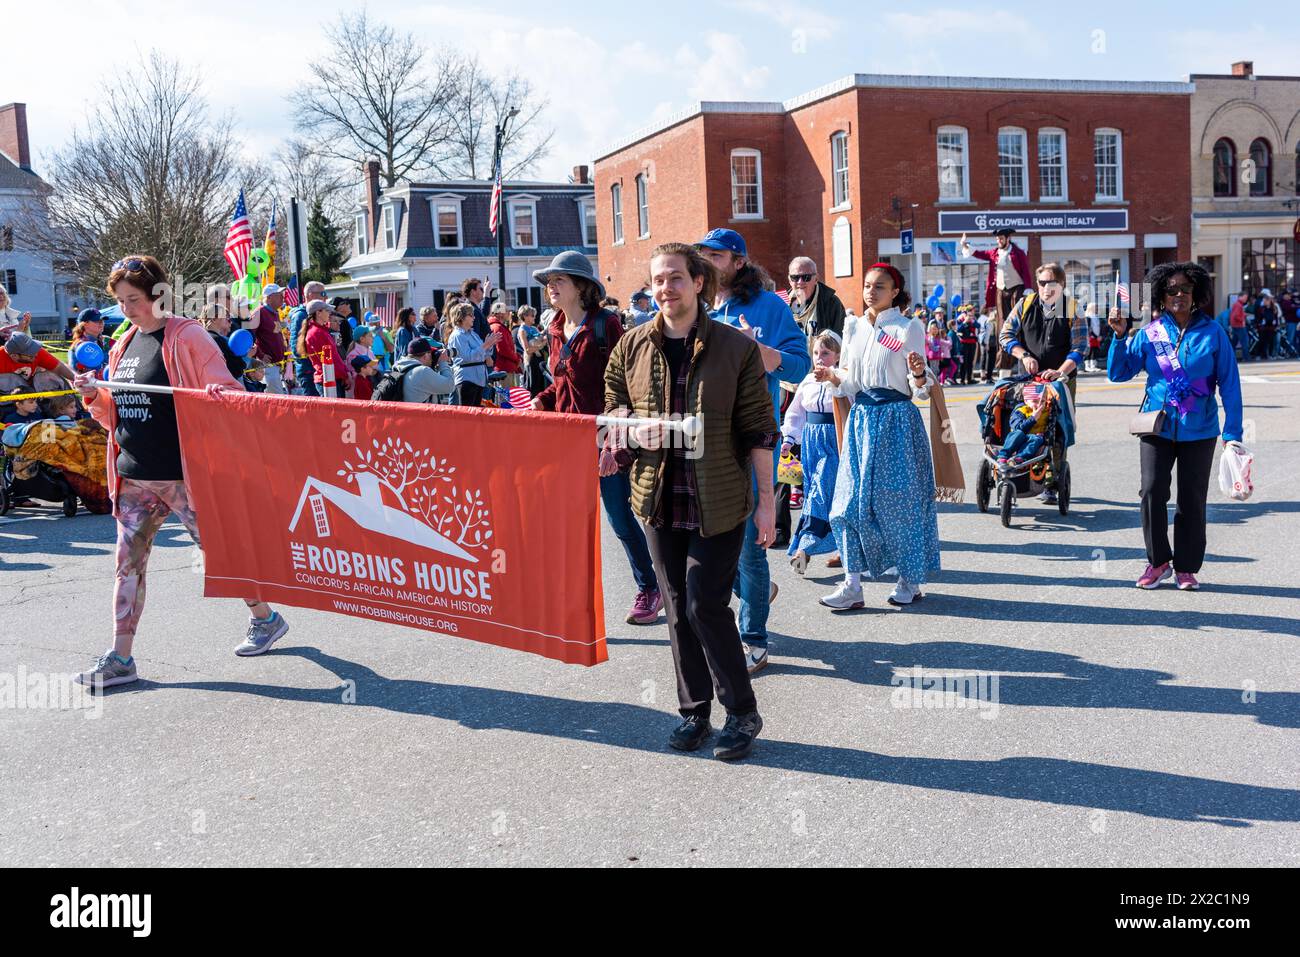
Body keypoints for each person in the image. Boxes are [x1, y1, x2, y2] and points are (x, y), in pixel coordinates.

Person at [72, 254, 290, 688]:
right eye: (120, 300)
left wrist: (214, 395)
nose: (127, 309)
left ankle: (265, 618)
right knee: (127, 566)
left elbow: (228, 395)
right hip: (134, 473)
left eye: (133, 299)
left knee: (219, 553)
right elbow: (116, 414)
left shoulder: (188, 336)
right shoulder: (123, 343)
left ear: (159, 295)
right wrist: (95, 395)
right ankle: (121, 658)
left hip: (184, 474)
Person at [602, 241, 776, 761]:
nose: (665, 288)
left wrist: (766, 504)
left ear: (699, 283)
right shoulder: (631, 345)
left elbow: (760, 431)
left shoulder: (734, 348)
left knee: (705, 604)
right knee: (677, 607)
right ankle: (694, 711)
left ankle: (742, 711)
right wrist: (632, 428)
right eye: (658, 279)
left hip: (719, 499)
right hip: (657, 497)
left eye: (675, 277)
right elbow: (612, 406)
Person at [697, 228, 811, 672]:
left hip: (750, 438)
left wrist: (763, 351)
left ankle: (755, 640)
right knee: (706, 539)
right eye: (701, 254)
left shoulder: (768, 306)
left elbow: (800, 366)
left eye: (715, 255)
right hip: (702, 439)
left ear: (738, 261)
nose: (706, 260)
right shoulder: (700, 306)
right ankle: (754, 592)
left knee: (747, 547)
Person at [530, 250, 663, 626]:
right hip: (567, 441)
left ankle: (653, 588)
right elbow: (559, 386)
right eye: (550, 282)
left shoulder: (607, 326)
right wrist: (540, 402)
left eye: (560, 280)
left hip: (608, 437)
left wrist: (613, 442)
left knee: (623, 519)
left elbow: (624, 387)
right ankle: (572, 598)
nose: (551, 287)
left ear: (581, 287)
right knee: (568, 522)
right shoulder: (555, 328)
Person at [1106, 261, 1243, 591]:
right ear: (1160, 296)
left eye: (1185, 288)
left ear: (1196, 292)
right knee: (1151, 491)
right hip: (1158, 424)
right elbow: (1118, 372)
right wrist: (1119, 335)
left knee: (1192, 499)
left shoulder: (1213, 334)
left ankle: (1186, 567)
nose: (1178, 294)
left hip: (1201, 427)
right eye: (1171, 290)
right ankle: (1157, 562)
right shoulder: (1150, 334)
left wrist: (1233, 435)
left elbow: (1230, 384)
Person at [818, 263, 942, 609]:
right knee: (846, 504)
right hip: (861, 419)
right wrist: (832, 376)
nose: (871, 291)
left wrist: (918, 373)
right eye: (868, 285)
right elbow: (853, 381)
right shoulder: (853, 326)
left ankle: (909, 578)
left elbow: (920, 388)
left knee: (898, 504)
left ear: (895, 293)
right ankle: (852, 585)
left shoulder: (907, 327)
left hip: (896, 420)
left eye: (880, 286)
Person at [999, 261, 1087, 504]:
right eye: (1042, 282)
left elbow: (1080, 347)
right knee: (1022, 421)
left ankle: (1051, 480)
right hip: (1029, 379)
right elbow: (1005, 334)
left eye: (1052, 282)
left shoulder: (1072, 309)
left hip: (1061, 379)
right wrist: (1023, 355)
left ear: (1062, 284)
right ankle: (1017, 467)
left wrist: (1060, 372)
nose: (1047, 287)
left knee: (1056, 428)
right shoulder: (1025, 304)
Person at [783, 330, 843, 579]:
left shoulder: (842, 380)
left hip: (833, 442)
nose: (820, 358)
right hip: (810, 442)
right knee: (816, 493)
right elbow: (796, 412)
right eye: (817, 353)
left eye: (826, 353)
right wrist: (789, 438)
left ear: (838, 356)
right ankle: (842, 547)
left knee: (821, 492)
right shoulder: (807, 382)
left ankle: (804, 549)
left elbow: (850, 408)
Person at [961, 227, 1030, 370]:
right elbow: (979, 254)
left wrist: (1028, 289)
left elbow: (1026, 271)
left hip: (1016, 289)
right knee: (1002, 324)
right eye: (997, 239)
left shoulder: (1018, 253)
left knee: (1018, 321)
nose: (999, 241)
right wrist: (965, 245)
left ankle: (1023, 354)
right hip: (1000, 291)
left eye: (1001, 238)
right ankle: (1004, 361)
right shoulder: (994, 253)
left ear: (1007, 239)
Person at [446, 302, 499, 407]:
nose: (474, 318)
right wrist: (485, 345)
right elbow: (467, 357)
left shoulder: (473, 334)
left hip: (478, 379)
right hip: (467, 380)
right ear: (461, 317)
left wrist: (490, 345)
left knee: (475, 414)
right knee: (467, 416)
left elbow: (483, 355)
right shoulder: (458, 336)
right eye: (471, 315)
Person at [787, 256, 846, 342]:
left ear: (816, 279)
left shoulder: (831, 303)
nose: (800, 282)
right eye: (795, 277)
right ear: (789, 280)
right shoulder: (781, 303)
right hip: (790, 355)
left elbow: (839, 341)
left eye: (806, 277)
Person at [996, 382, 1055, 468]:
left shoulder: (1047, 412)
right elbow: (1018, 427)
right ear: (1026, 401)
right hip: (1017, 439)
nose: (1039, 405)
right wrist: (1033, 418)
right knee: (1018, 433)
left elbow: (1050, 428)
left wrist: (1046, 436)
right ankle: (1003, 456)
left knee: (1036, 439)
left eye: (1042, 401)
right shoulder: (1020, 411)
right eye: (1035, 401)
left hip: (1033, 439)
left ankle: (1019, 458)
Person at [297, 299, 348, 398]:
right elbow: (331, 359)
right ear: (318, 313)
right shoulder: (317, 333)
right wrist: (344, 375)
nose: (329, 313)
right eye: (327, 311)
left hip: (332, 377)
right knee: (334, 412)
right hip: (329, 378)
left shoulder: (320, 331)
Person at [0, 332, 75, 395]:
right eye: (29, 353)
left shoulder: (38, 352)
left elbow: (58, 367)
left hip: (30, 396)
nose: (35, 354)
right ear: (14, 356)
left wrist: (76, 379)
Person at [288, 280, 327, 396]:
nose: (325, 297)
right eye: (323, 294)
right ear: (310, 295)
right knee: (314, 409)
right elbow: (296, 349)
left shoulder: (317, 314)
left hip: (320, 370)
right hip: (309, 371)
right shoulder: (300, 315)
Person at [387, 337, 455, 404]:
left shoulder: (399, 367)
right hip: (419, 414)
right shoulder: (422, 371)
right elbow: (450, 386)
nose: (432, 358)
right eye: (431, 354)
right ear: (425, 356)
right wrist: (443, 362)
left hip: (403, 413)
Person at [201, 302, 246, 380]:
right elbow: (237, 369)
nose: (229, 320)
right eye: (225, 317)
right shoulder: (217, 340)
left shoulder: (201, 337)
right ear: (214, 319)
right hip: (221, 384)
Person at [487, 302, 522, 383]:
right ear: (500, 314)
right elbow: (504, 350)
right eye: (506, 311)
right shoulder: (498, 327)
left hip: (502, 367)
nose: (509, 313)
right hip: (504, 368)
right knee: (506, 394)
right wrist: (517, 358)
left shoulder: (495, 326)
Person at [1252, 289, 1280, 360]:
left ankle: (1268, 354)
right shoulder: (1261, 307)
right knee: (1262, 340)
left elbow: (1276, 317)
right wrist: (1259, 324)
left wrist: (1276, 325)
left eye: (1268, 299)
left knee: (1270, 341)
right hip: (1263, 327)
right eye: (1265, 299)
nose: (1266, 301)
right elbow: (1258, 316)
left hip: (1271, 327)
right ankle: (1260, 354)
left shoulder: (1274, 308)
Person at [957, 307, 979, 383]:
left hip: (972, 343)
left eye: (971, 312)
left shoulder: (973, 319)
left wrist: (972, 321)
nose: (970, 314)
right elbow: (958, 329)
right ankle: (962, 379)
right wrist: (964, 322)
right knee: (964, 362)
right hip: (964, 343)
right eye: (968, 312)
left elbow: (978, 326)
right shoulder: (960, 319)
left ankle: (969, 379)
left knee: (970, 361)